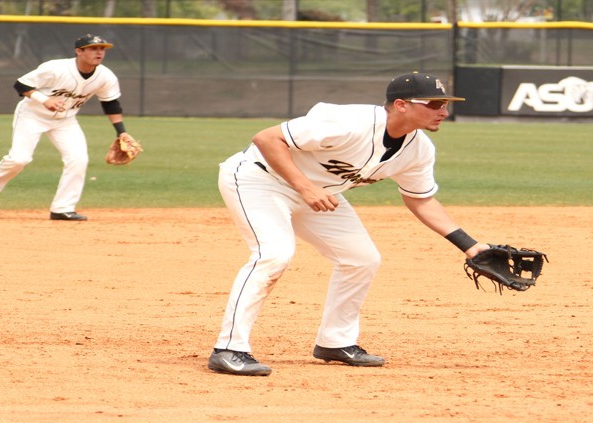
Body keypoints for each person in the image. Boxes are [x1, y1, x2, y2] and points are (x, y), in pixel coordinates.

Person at [208, 72, 490, 376]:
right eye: (434, 103)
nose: (444, 112)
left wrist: (470, 245)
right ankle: (229, 348)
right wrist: (305, 188)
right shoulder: (350, 122)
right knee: (273, 255)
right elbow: (266, 138)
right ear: (401, 105)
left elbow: (420, 200)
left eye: (445, 104)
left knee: (361, 259)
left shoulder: (419, 150)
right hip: (258, 179)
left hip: (318, 195)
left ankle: (335, 341)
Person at [0, 34, 133, 221]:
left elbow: (111, 103)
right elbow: (21, 84)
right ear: (79, 51)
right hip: (32, 115)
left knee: (78, 159)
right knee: (20, 159)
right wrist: (44, 99)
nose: (99, 52)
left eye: (102, 49)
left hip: (65, 120)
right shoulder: (56, 68)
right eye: (93, 48)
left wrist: (121, 131)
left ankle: (62, 208)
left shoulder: (105, 76)